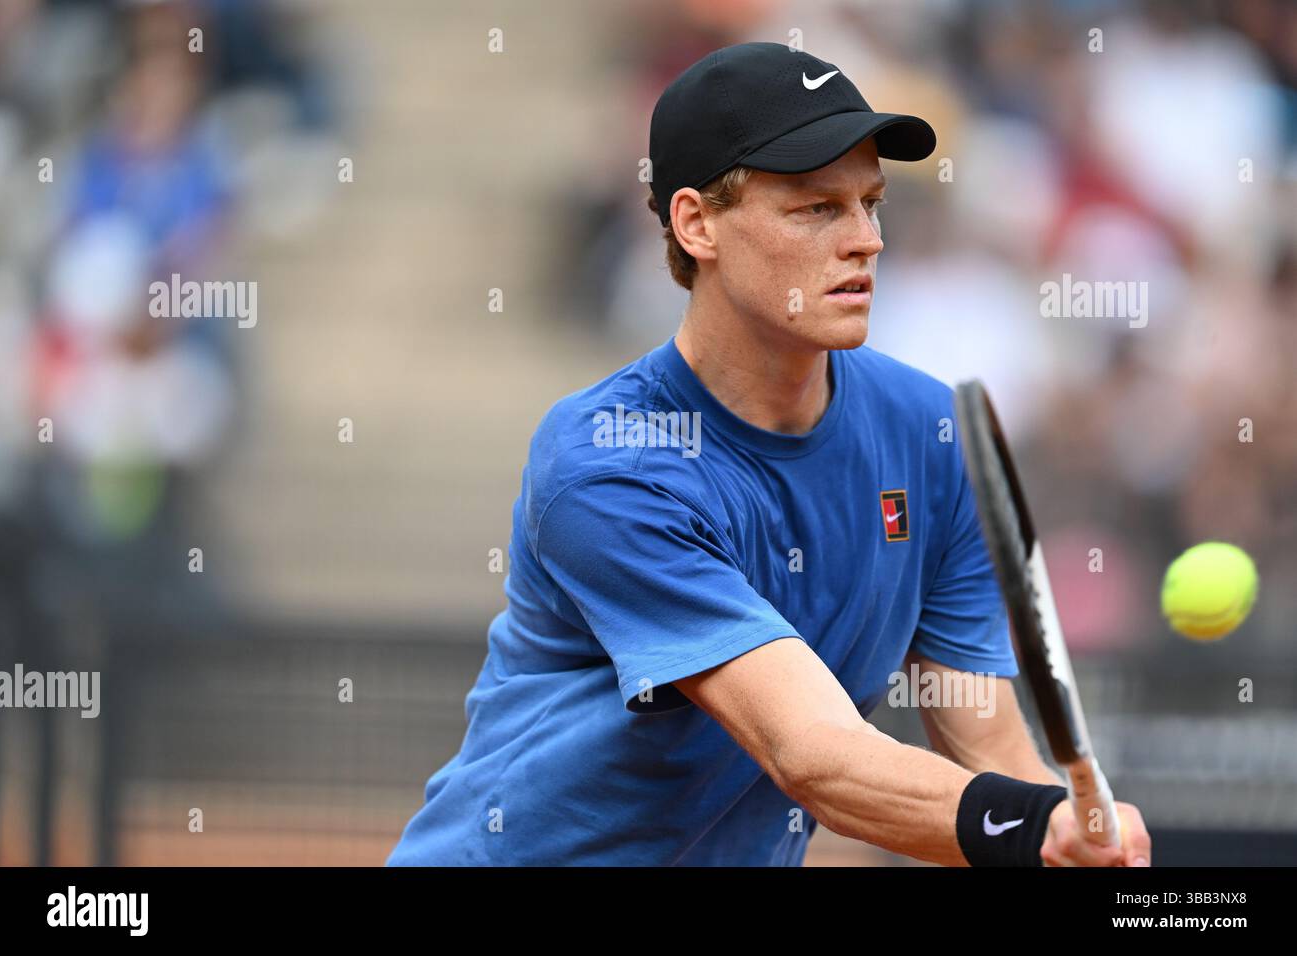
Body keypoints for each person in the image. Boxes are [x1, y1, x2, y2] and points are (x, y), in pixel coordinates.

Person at [389, 41, 1151, 867]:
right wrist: (1030, 830)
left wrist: (1062, 827)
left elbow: (988, 744)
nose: (865, 241)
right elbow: (813, 754)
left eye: (871, 203)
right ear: (696, 223)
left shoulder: (932, 436)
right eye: (816, 209)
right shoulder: (607, 461)